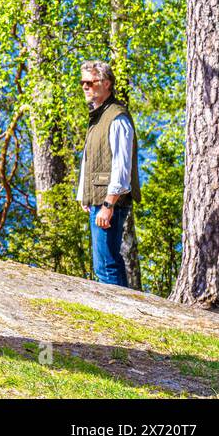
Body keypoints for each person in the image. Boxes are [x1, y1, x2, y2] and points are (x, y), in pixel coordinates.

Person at [77, 60, 140, 288]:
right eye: (82, 82)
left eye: (90, 82)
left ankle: (121, 315)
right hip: (98, 200)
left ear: (106, 84)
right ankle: (123, 312)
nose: (85, 86)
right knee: (104, 263)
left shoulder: (118, 118)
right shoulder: (99, 116)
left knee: (107, 265)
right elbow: (89, 159)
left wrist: (108, 205)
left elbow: (122, 169)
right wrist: (84, 194)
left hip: (108, 202)